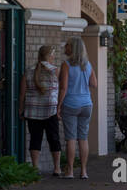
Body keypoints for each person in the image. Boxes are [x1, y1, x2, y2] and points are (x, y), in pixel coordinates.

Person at [57, 37, 97, 178]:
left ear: (72, 48)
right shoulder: (88, 65)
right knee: (83, 138)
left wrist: (58, 105)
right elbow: (94, 84)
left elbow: (63, 87)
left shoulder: (66, 65)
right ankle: (84, 171)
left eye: (67, 46)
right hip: (86, 104)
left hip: (70, 104)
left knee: (71, 138)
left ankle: (70, 171)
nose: (65, 48)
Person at [19, 44, 62, 175]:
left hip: (32, 111)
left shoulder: (29, 70)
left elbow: (22, 94)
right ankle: (57, 168)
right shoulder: (55, 70)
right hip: (51, 110)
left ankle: (35, 167)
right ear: (49, 56)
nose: (54, 57)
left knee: (35, 139)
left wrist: (21, 110)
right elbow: (61, 89)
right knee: (54, 138)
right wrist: (60, 108)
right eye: (53, 55)